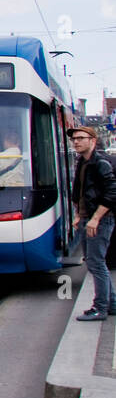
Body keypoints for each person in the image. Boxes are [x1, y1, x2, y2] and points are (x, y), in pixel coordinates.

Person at [68, 126, 116, 321]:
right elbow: (81, 193)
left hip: (101, 220)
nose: (76, 142)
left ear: (93, 141)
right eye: (74, 139)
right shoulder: (83, 162)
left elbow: (112, 193)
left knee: (96, 263)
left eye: (81, 138)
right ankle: (111, 304)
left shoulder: (100, 163)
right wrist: (80, 214)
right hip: (90, 219)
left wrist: (95, 218)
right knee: (96, 263)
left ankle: (100, 308)